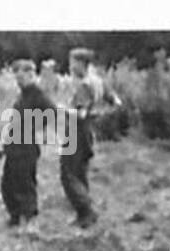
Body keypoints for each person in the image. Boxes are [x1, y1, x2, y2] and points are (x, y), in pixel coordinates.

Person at [59, 46, 121, 228]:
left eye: (72, 63)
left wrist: (61, 109)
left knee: (68, 173)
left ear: (81, 64)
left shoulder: (84, 86)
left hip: (76, 132)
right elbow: (117, 103)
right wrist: (100, 115)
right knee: (80, 172)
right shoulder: (99, 82)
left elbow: (80, 114)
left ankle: (86, 211)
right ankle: (83, 215)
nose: (70, 67)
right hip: (89, 132)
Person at [1, 58, 56, 227]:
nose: (18, 80)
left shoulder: (37, 94)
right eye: (16, 77)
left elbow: (52, 111)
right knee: (8, 184)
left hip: (27, 147)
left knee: (25, 184)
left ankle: (30, 219)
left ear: (31, 75)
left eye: (21, 77)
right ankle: (15, 216)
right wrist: (5, 146)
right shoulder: (22, 95)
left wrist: (35, 127)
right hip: (14, 145)